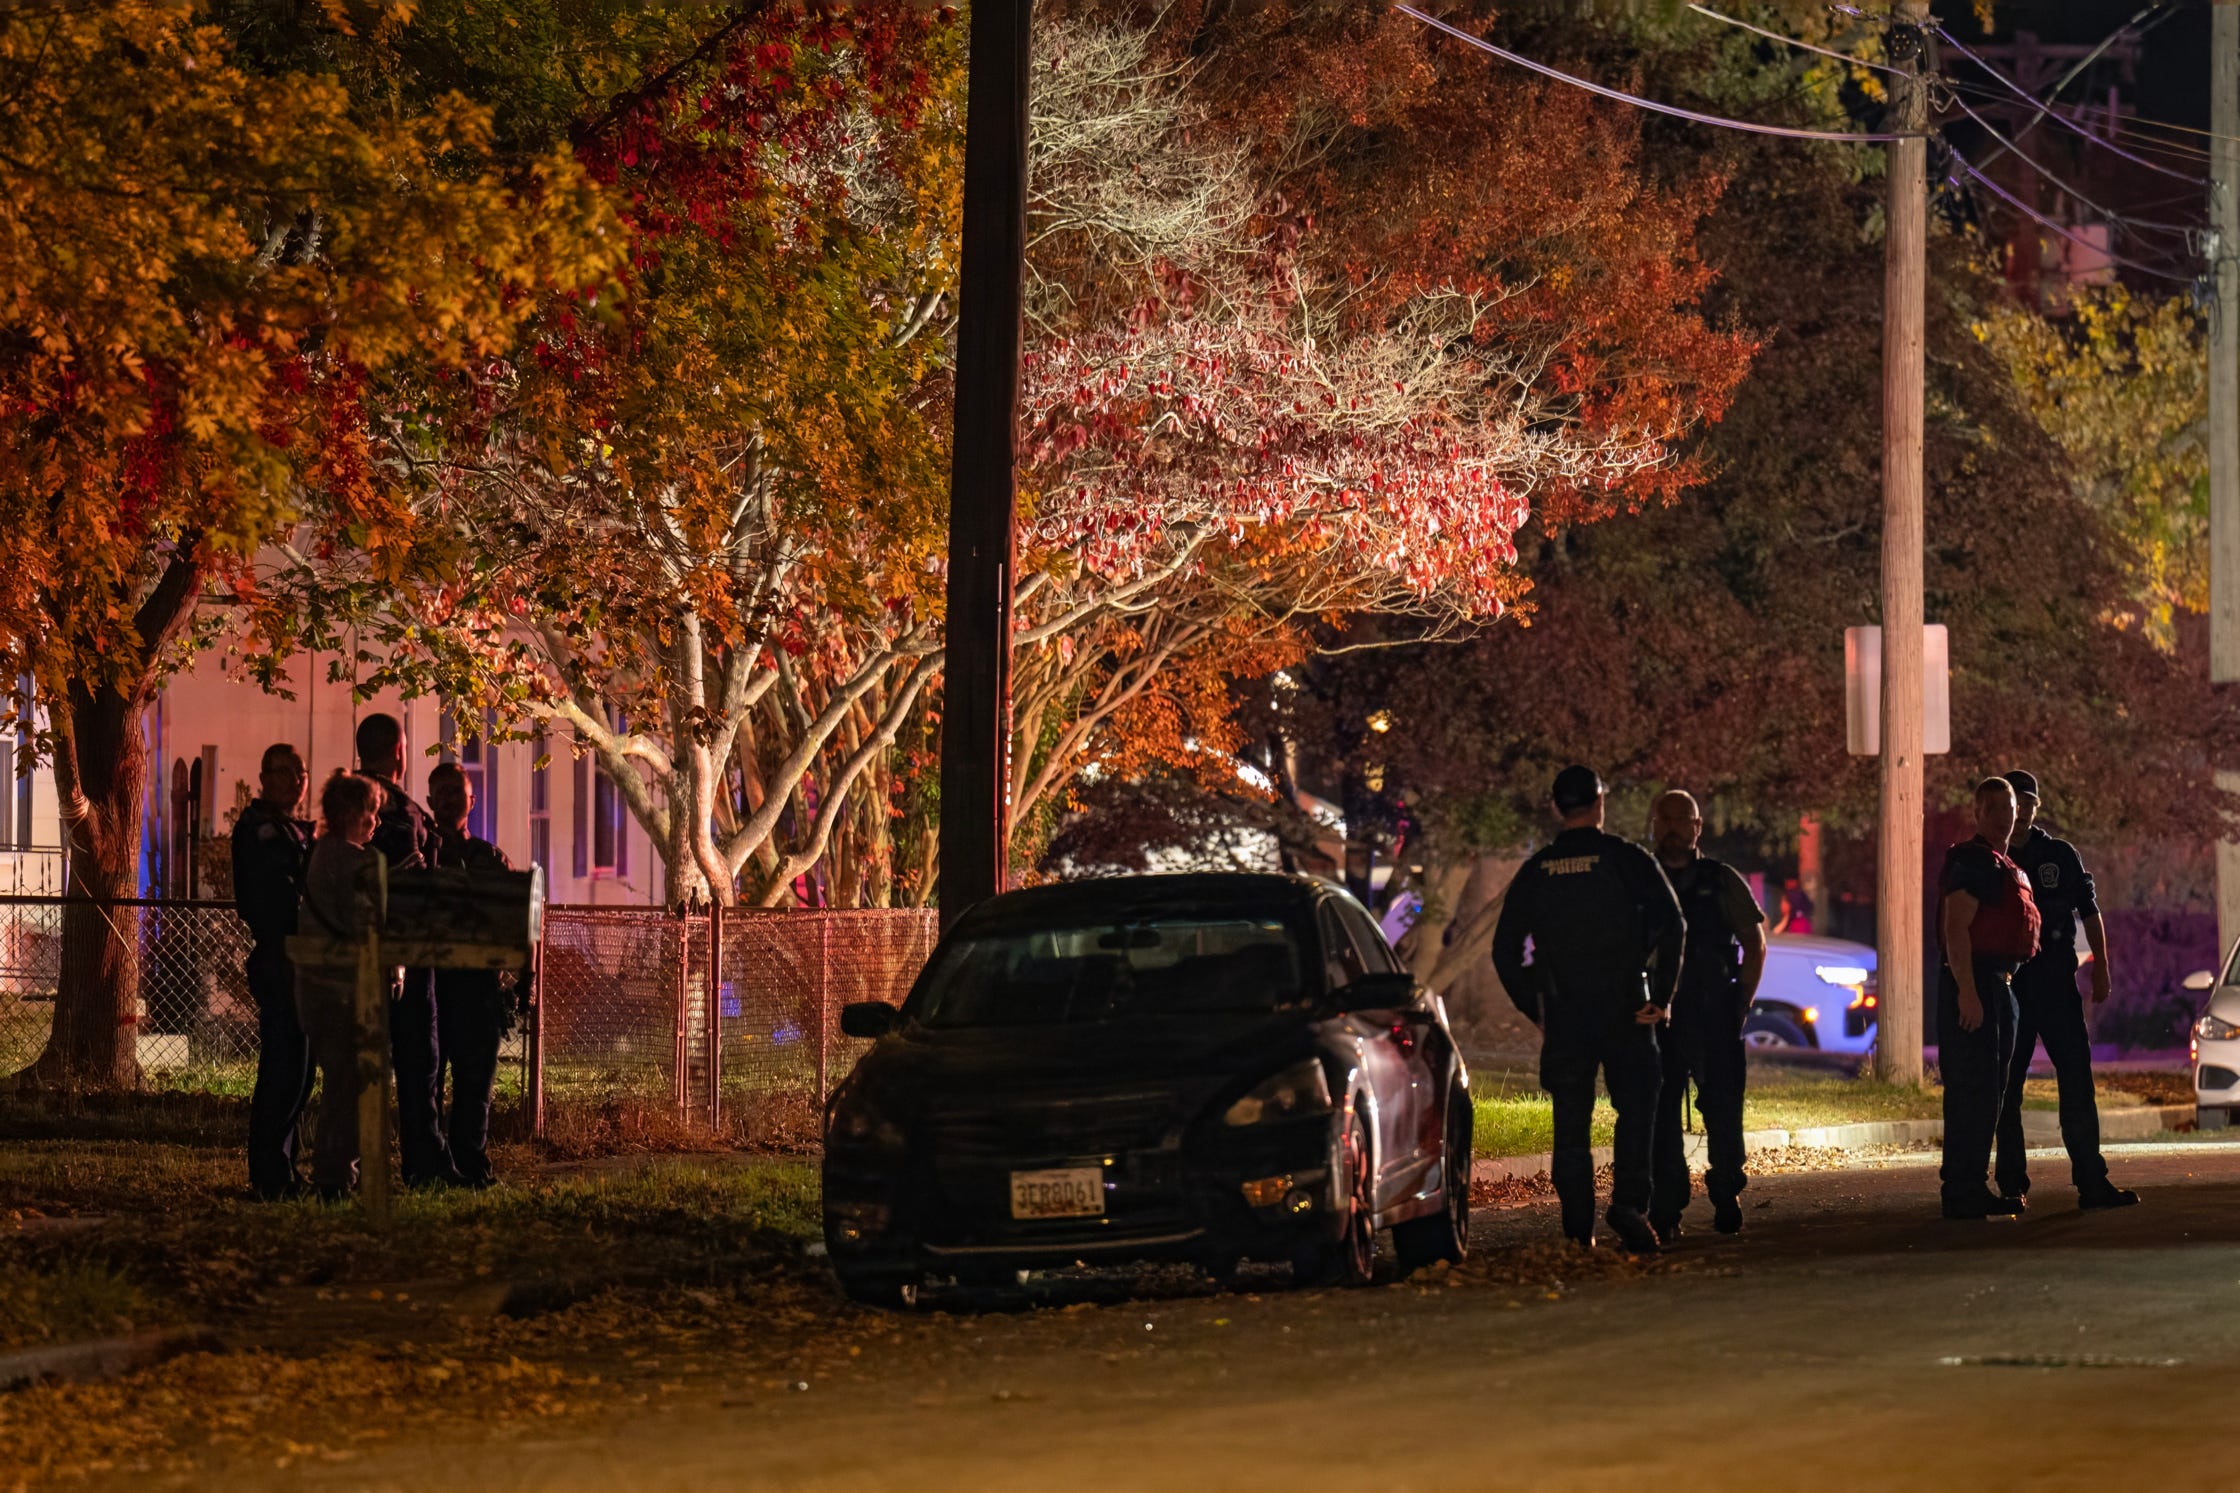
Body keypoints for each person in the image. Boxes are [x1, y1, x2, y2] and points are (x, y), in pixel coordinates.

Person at [1493, 765, 1685, 1253]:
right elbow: (1673, 925)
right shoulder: (1626, 860)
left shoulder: (1538, 870)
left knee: (1571, 1119)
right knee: (1638, 1110)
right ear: (1600, 802)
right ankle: (1628, 1208)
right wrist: (1660, 998)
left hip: (1566, 1015)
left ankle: (1578, 1225)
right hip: (1626, 1009)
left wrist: (1535, 1007)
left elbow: (1505, 949)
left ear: (1557, 806)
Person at [1992, 770, 2139, 1211]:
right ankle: (2011, 1185)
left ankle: (2092, 1183)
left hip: (2056, 985)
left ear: (2035, 807)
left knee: (2076, 1081)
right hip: (2010, 988)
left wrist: (2101, 969)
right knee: (2007, 1088)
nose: (2022, 810)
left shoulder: (2059, 854)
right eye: (2014, 801)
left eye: (2029, 801)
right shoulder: (1987, 858)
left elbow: (2089, 913)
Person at [1645, 790, 1767, 1241]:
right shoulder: (1640, 877)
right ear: (1654, 824)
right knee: (1659, 1113)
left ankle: (1726, 1191)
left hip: (1713, 1008)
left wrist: (1742, 1003)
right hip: (1655, 1012)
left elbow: (1754, 943)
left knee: (1723, 1108)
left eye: (1685, 819)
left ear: (1698, 827)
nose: (1676, 827)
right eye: (1667, 818)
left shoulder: (1720, 880)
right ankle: (1666, 1207)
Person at [355, 712, 462, 1188]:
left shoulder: (345, 801)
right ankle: (425, 1165)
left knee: (359, 1068)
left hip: (356, 955)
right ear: (399, 752)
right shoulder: (397, 810)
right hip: (408, 954)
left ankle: (352, 1167)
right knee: (419, 1065)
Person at [1936, 776, 2041, 1221]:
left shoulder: (2002, 863)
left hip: (1999, 985)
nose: (2004, 815)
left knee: (1991, 1093)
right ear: (1978, 812)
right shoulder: (1975, 863)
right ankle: (1963, 1189)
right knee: (1973, 1092)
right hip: (1978, 985)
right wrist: (1968, 992)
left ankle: (1969, 1187)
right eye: (1994, 807)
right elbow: (1955, 927)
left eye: (2010, 807)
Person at [426, 762, 519, 1189]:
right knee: (428, 1079)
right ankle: (436, 1161)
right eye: (439, 792)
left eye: (455, 791)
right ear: (429, 801)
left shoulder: (490, 859)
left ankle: (469, 1159)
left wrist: (521, 980)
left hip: (478, 986)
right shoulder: (420, 855)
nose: (447, 800)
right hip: (433, 983)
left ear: (472, 800)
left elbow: (516, 922)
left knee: (474, 1084)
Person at [296, 772, 386, 1201]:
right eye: (371, 813)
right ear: (351, 814)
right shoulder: (351, 861)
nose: (376, 823)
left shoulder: (320, 854)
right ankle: (335, 1176)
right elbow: (366, 923)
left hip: (315, 988)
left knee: (340, 1081)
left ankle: (336, 1173)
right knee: (348, 1085)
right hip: (341, 989)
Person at [231, 743, 314, 1200]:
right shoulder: (257, 829)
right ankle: (270, 1174)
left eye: (301, 773)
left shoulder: (293, 830)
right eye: (284, 772)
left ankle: (284, 1168)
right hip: (279, 955)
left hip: (300, 957)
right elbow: (272, 897)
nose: (296, 781)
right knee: (285, 1068)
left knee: (299, 1072)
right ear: (264, 776)